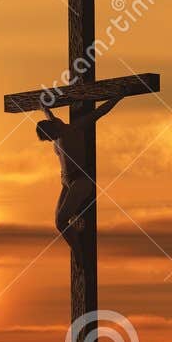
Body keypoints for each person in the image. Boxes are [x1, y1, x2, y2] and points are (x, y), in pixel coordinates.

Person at [37, 97, 124, 248]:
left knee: (62, 220)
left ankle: (78, 251)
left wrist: (118, 96)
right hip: (66, 182)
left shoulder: (74, 128)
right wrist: (44, 108)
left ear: (52, 129)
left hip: (80, 180)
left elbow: (99, 112)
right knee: (59, 222)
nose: (51, 140)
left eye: (49, 137)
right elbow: (50, 117)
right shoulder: (56, 128)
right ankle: (77, 244)